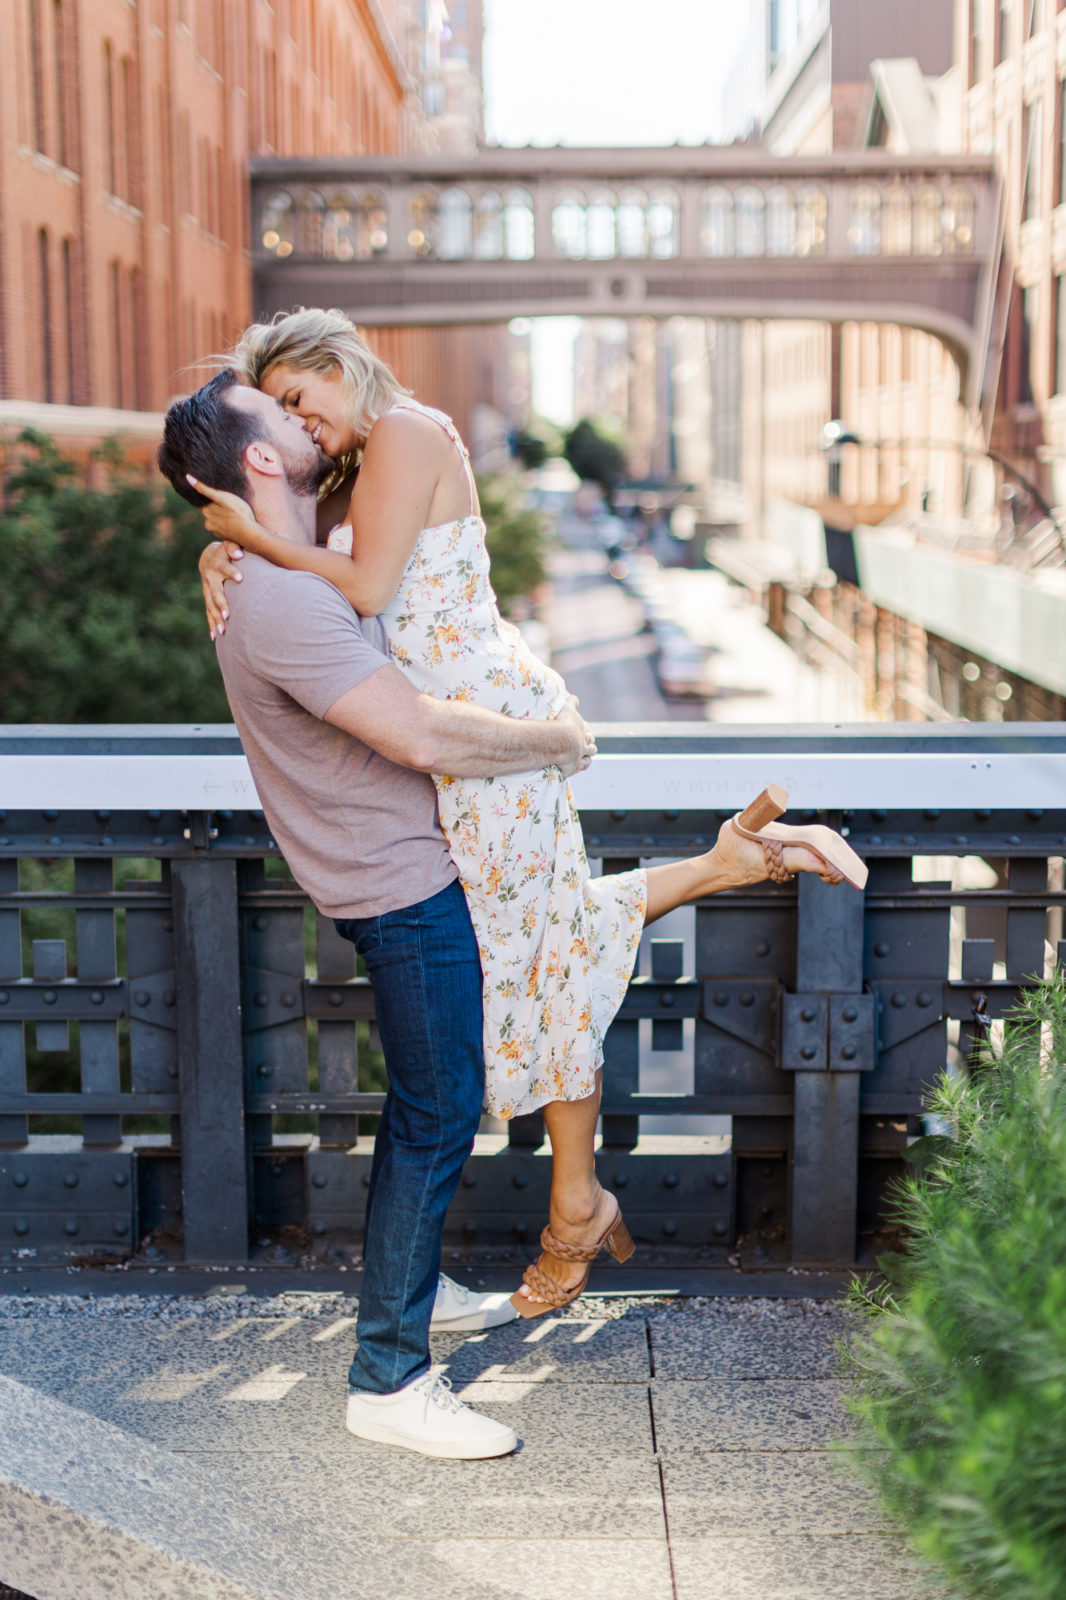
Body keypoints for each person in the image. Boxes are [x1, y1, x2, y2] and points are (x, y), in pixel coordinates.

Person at [192, 311, 867, 1323]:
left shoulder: (409, 432)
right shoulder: (355, 466)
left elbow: (370, 586)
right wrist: (228, 559)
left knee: (533, 955)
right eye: (279, 413)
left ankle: (574, 1208)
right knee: (533, 945)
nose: (300, 424)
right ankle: (731, 869)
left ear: (340, 366)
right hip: (448, 745)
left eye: (300, 398)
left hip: (487, 736)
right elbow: (326, 579)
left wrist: (246, 540)